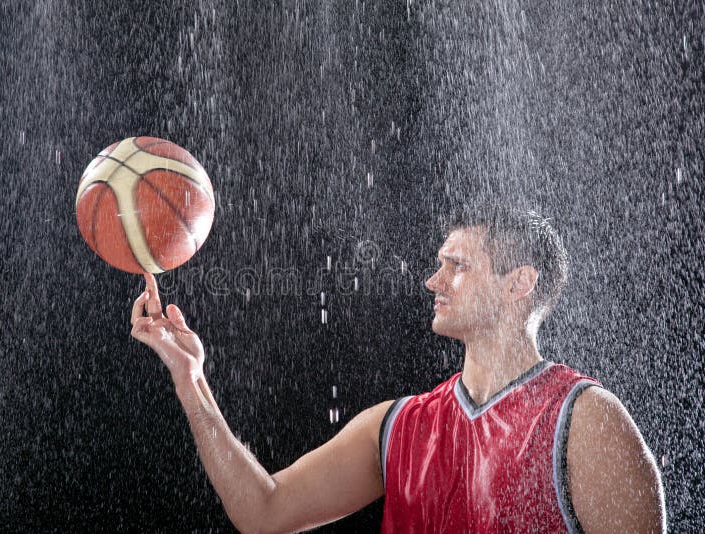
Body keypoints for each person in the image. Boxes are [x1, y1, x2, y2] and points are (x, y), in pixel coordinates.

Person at [130, 204, 666, 533]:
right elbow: (263, 514)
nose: (434, 281)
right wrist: (191, 378)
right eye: (439, 265)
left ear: (518, 284)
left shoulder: (586, 421)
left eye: (457, 266)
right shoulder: (396, 426)